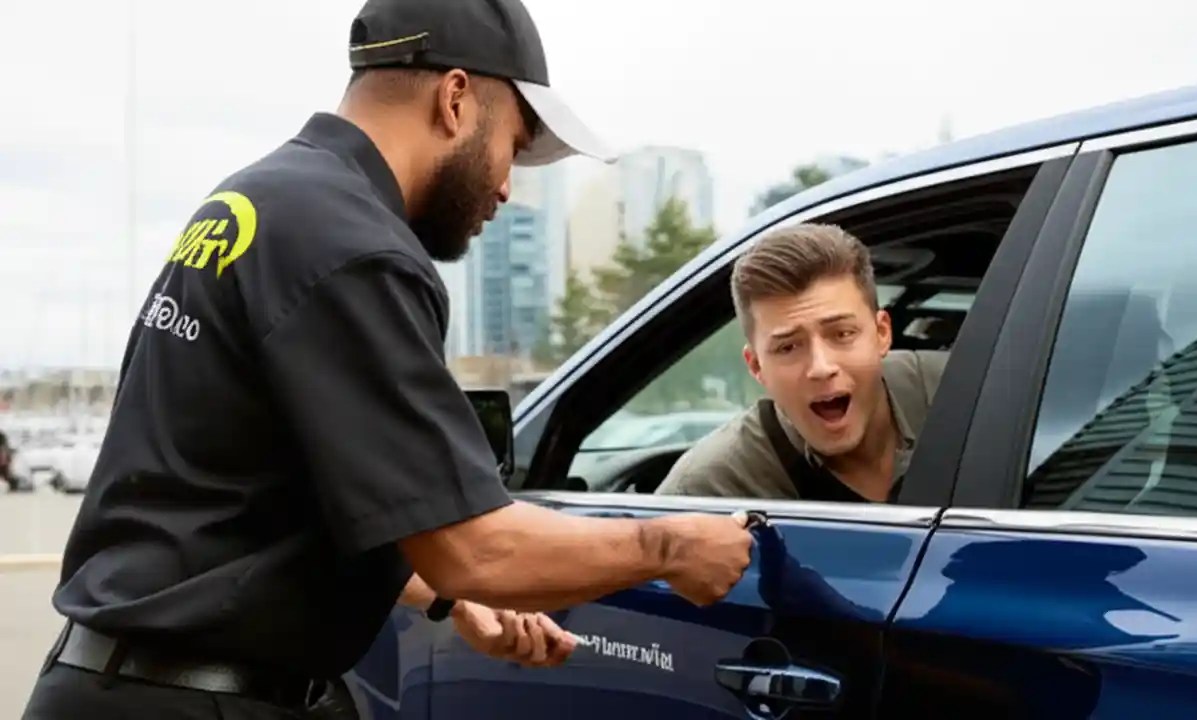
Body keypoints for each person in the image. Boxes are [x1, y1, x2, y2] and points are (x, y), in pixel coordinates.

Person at [20, 0, 753, 717]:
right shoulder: (354, 246)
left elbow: (261, 502)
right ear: (457, 99)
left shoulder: (254, 201)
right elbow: (477, 548)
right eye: (515, 145)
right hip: (195, 698)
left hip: (115, 683)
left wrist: (448, 597)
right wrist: (671, 544)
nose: (506, 184)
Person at [654, 223, 948, 502]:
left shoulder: (961, 391)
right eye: (788, 347)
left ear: (882, 333)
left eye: (842, 334)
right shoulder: (708, 489)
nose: (820, 367)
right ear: (756, 366)